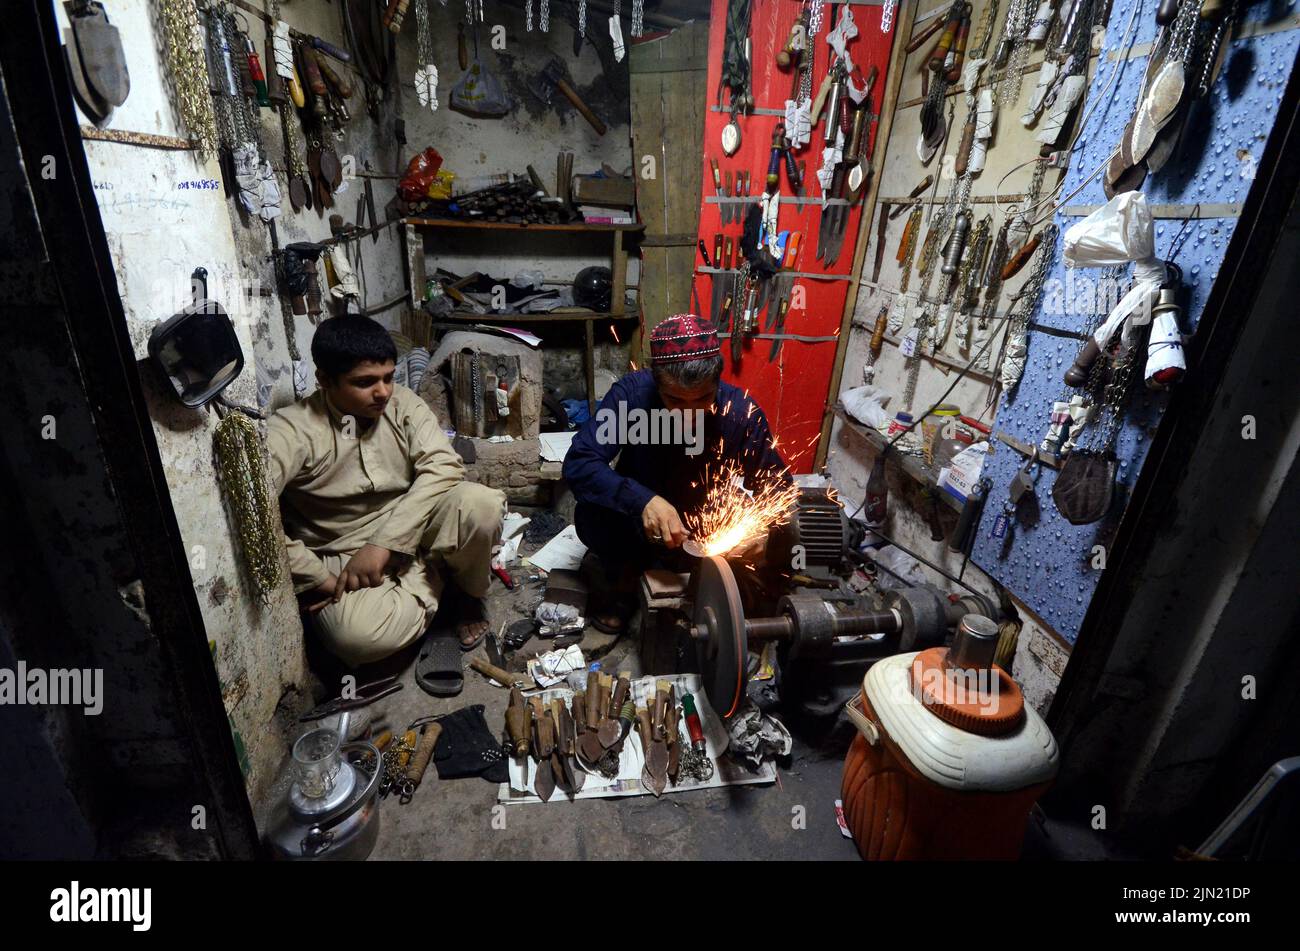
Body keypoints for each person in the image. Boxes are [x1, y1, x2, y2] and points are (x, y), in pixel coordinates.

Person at [267, 316, 505, 666]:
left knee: (481, 506)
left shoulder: (403, 403)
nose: (383, 392)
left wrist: (384, 545)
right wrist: (315, 576)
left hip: (414, 522)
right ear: (324, 381)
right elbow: (254, 517)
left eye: (388, 377)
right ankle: (442, 580)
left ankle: (462, 594)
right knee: (354, 639)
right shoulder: (290, 431)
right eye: (364, 382)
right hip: (345, 550)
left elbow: (444, 466)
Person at [562, 314, 788, 632]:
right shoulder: (632, 396)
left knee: (753, 571)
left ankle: (708, 586)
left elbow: (778, 490)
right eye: (675, 400)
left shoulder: (740, 413)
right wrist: (642, 500)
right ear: (657, 382)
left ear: (717, 382)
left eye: (703, 400)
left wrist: (762, 532)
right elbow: (580, 463)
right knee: (592, 515)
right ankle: (625, 582)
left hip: (704, 531)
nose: (689, 413)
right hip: (638, 525)